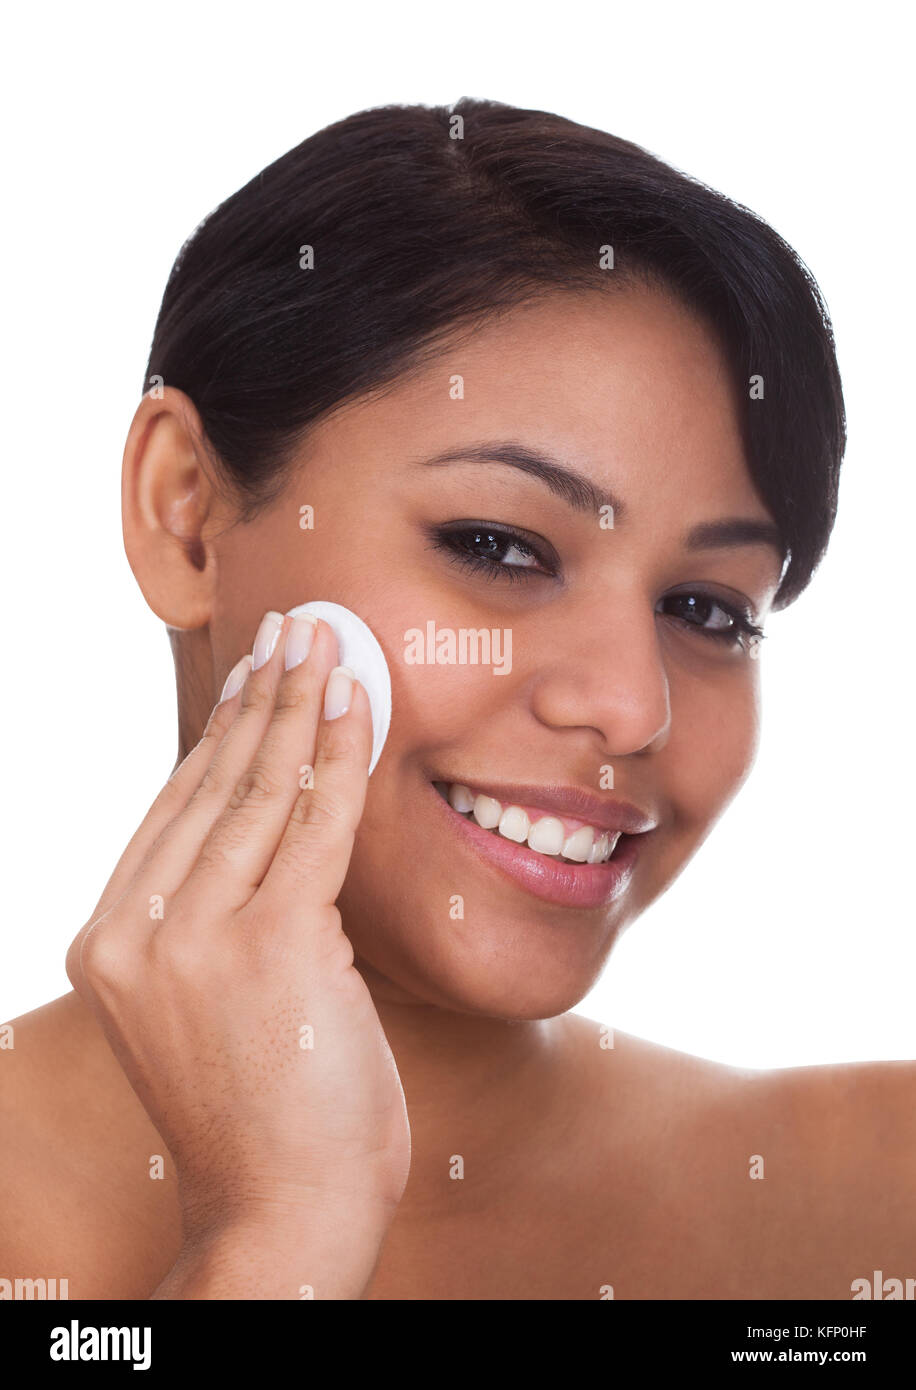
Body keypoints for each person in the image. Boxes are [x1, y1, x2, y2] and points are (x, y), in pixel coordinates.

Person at [2, 98, 912, 1300]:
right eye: (495, 543)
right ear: (185, 513)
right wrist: (277, 1233)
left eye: (708, 611)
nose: (631, 706)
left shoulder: (877, 1204)